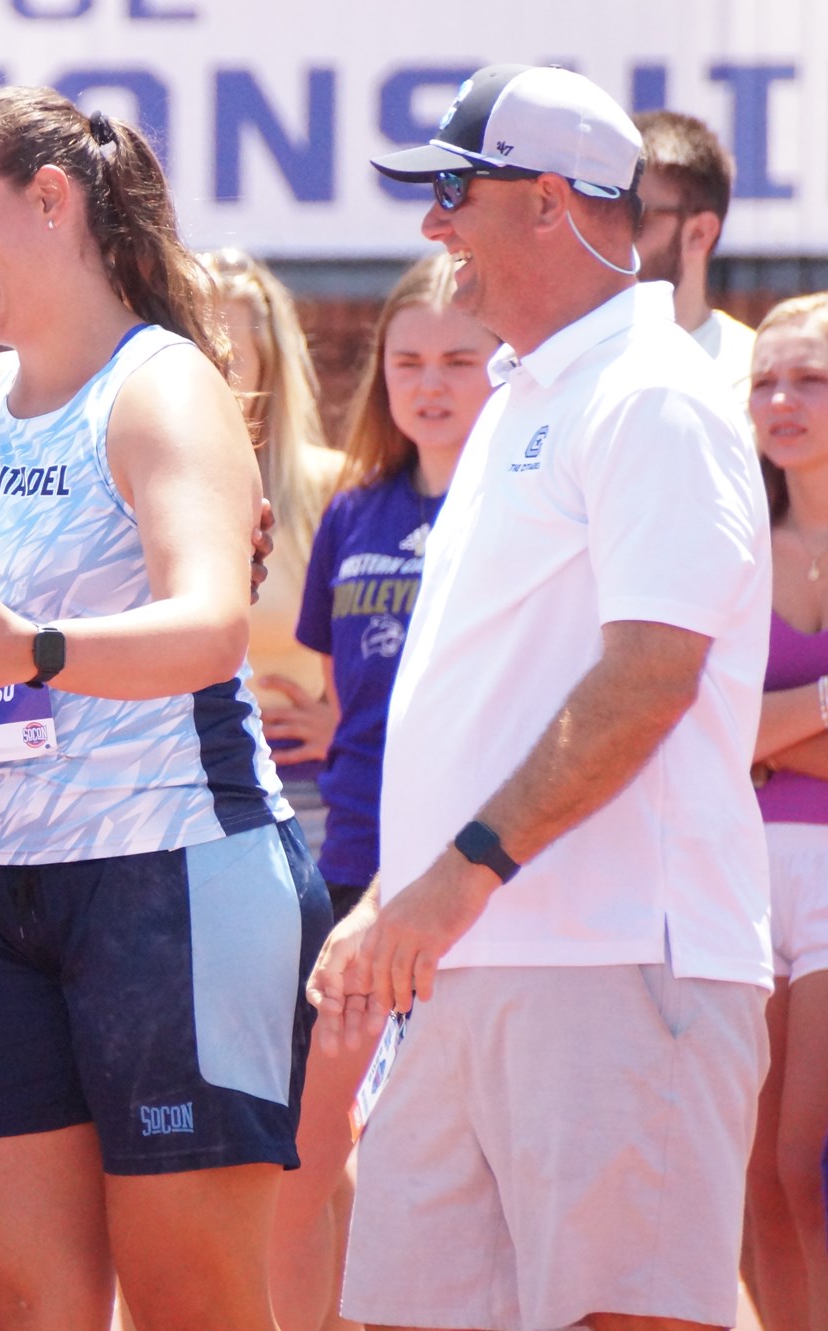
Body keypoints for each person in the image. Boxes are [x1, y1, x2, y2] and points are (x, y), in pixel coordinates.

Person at [314, 64, 774, 1331]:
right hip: (470, 957)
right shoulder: (538, 390)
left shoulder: (653, 397)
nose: (431, 226)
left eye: (453, 189)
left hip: (618, 956)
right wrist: (405, 899)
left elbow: (648, 675)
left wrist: (448, 878)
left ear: (551, 203)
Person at [0, 87, 330, 1330]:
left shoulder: (160, 385)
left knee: (190, 1306)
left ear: (54, 200)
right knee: (29, 1307)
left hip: (171, 874)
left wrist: (25, 647)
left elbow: (205, 628)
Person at [271, 250, 499, 1331]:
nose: (431, 381)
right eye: (408, 359)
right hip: (349, 864)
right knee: (311, 1145)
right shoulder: (355, 511)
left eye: (460, 356)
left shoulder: (520, 507)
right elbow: (337, 683)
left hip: (475, 879)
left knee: (448, 1160)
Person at [741, 291, 828, 1331]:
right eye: (764, 378)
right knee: (754, 1165)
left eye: (809, 377)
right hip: (737, 861)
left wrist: (762, 732)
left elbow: (735, 728)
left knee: (807, 1152)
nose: (780, 398)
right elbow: (697, 721)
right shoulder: (733, 537)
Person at [202, 248, 343, 855]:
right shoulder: (133, 492)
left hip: (310, 797)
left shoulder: (338, 488)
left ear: (270, 363)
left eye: (226, 356)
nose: (208, 373)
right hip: (175, 797)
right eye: (190, 351)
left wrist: (351, 729)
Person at [632, 109, 756, 395]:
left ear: (699, 234)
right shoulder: (560, 365)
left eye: (634, 216)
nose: (612, 234)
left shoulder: (752, 379)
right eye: (603, 212)